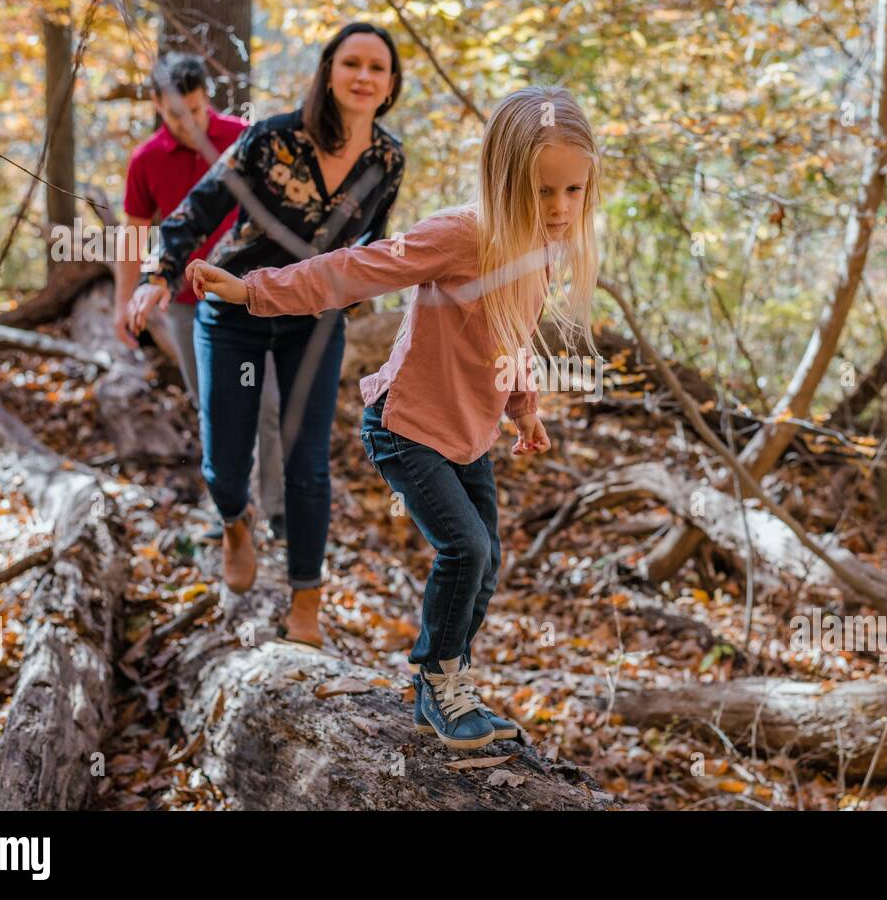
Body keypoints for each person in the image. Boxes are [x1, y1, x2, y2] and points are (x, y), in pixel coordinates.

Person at [185, 86, 602, 751]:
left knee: (486, 560)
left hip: (468, 434)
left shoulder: (543, 246)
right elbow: (359, 269)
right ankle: (437, 688)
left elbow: (513, 335)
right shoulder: (464, 234)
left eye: (573, 192)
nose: (558, 208)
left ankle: (451, 686)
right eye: (541, 192)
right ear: (502, 179)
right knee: (464, 548)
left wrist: (525, 409)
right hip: (404, 426)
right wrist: (253, 289)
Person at [126, 23, 406, 647]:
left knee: (308, 466)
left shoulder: (387, 159)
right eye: (351, 63)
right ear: (329, 71)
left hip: (313, 319)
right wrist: (155, 277)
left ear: (389, 86)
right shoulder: (272, 139)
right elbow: (196, 208)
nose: (363, 76)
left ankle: (305, 602)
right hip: (232, 308)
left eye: (377, 68)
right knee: (224, 463)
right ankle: (234, 521)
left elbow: (372, 243)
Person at [116, 52, 286, 542]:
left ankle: (276, 511)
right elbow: (132, 238)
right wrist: (123, 305)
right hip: (190, 306)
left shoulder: (242, 137)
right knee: (213, 406)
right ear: (156, 104)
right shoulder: (146, 160)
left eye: (195, 109)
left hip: (255, 296)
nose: (188, 123)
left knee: (270, 404)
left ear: (205, 97)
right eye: (175, 114)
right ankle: (232, 511)